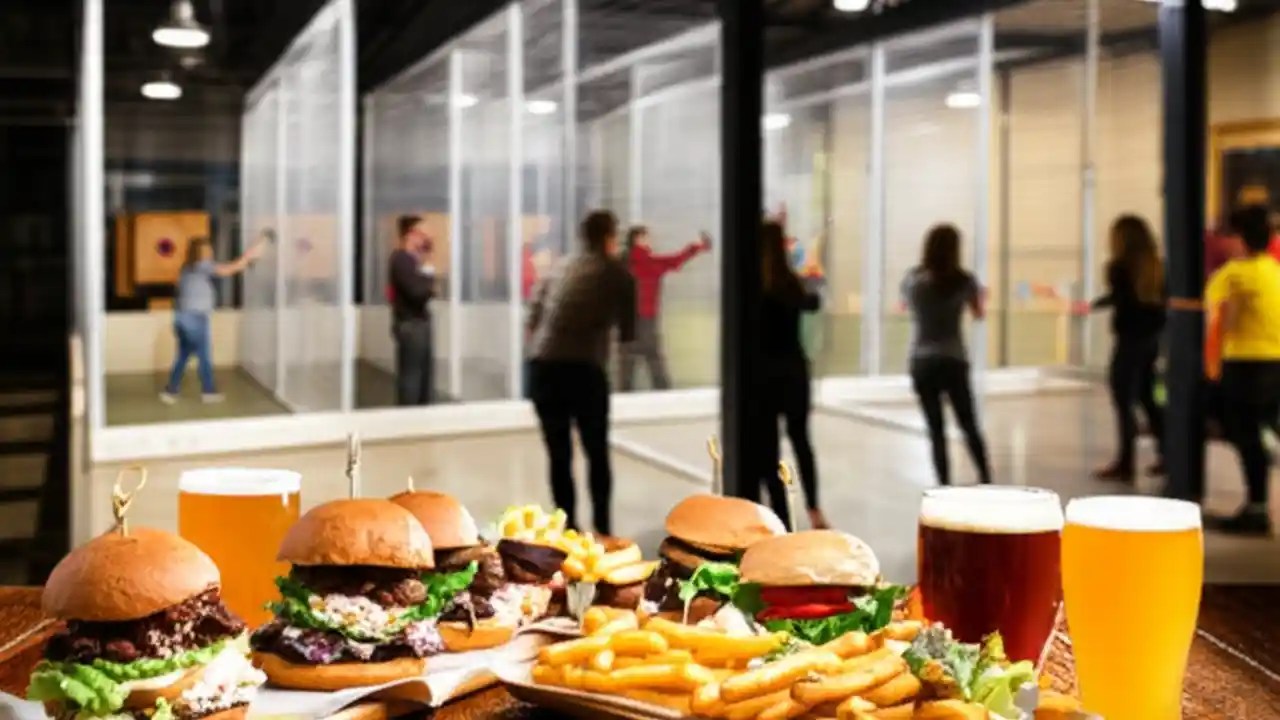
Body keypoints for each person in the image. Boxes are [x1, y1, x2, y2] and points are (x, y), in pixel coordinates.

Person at [528, 210, 637, 534]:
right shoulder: (617, 273)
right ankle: (603, 529)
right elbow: (628, 332)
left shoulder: (560, 267)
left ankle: (569, 529)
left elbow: (533, 319)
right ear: (610, 236)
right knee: (596, 452)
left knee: (559, 455)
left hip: (543, 366)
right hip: (583, 369)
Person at [1204, 205, 1280, 535]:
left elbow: (1206, 307)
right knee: (1257, 430)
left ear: (1240, 239)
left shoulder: (1236, 273)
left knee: (1244, 433)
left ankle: (1257, 508)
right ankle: (1258, 503)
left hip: (1247, 364)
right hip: (1274, 362)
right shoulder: (1273, 269)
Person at [901, 224, 992, 486]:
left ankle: (943, 485)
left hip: (922, 360)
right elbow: (978, 314)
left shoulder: (913, 279)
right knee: (968, 423)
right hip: (953, 359)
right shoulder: (965, 281)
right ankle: (985, 477)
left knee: (936, 430)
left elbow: (909, 305)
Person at [756, 220, 828, 530]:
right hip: (794, 372)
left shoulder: (754, 288)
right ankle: (814, 510)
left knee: (767, 452)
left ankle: (780, 521)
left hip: (764, 377)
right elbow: (813, 303)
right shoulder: (790, 283)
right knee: (801, 442)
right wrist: (814, 276)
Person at [1090, 216, 1167, 481]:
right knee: (1148, 399)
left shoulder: (1118, 267)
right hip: (1150, 342)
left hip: (1128, 342)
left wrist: (1097, 304)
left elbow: (1121, 299)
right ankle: (1167, 456)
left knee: (1123, 401)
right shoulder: (1157, 267)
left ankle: (1126, 462)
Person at [160, 236, 263, 404]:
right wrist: (248, 257)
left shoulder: (187, 269)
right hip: (195, 318)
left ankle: (171, 391)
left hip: (182, 318)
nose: (210, 252)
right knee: (204, 355)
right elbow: (228, 270)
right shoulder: (202, 265)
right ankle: (208, 391)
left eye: (210, 249)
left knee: (183, 356)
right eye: (207, 249)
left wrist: (245, 261)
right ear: (198, 252)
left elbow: (233, 268)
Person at [619, 226, 709, 391]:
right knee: (654, 358)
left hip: (627, 319)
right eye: (647, 237)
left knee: (627, 362)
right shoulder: (650, 262)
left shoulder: (622, 263)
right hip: (646, 317)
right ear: (638, 239)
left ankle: (623, 397)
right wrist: (697, 247)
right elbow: (676, 260)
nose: (650, 241)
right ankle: (665, 395)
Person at [388, 215, 437, 406]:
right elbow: (418, 292)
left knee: (422, 377)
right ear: (410, 235)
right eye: (421, 233)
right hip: (411, 326)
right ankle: (408, 419)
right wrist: (429, 280)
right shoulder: (402, 260)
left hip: (418, 324)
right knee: (412, 379)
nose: (425, 238)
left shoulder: (413, 261)